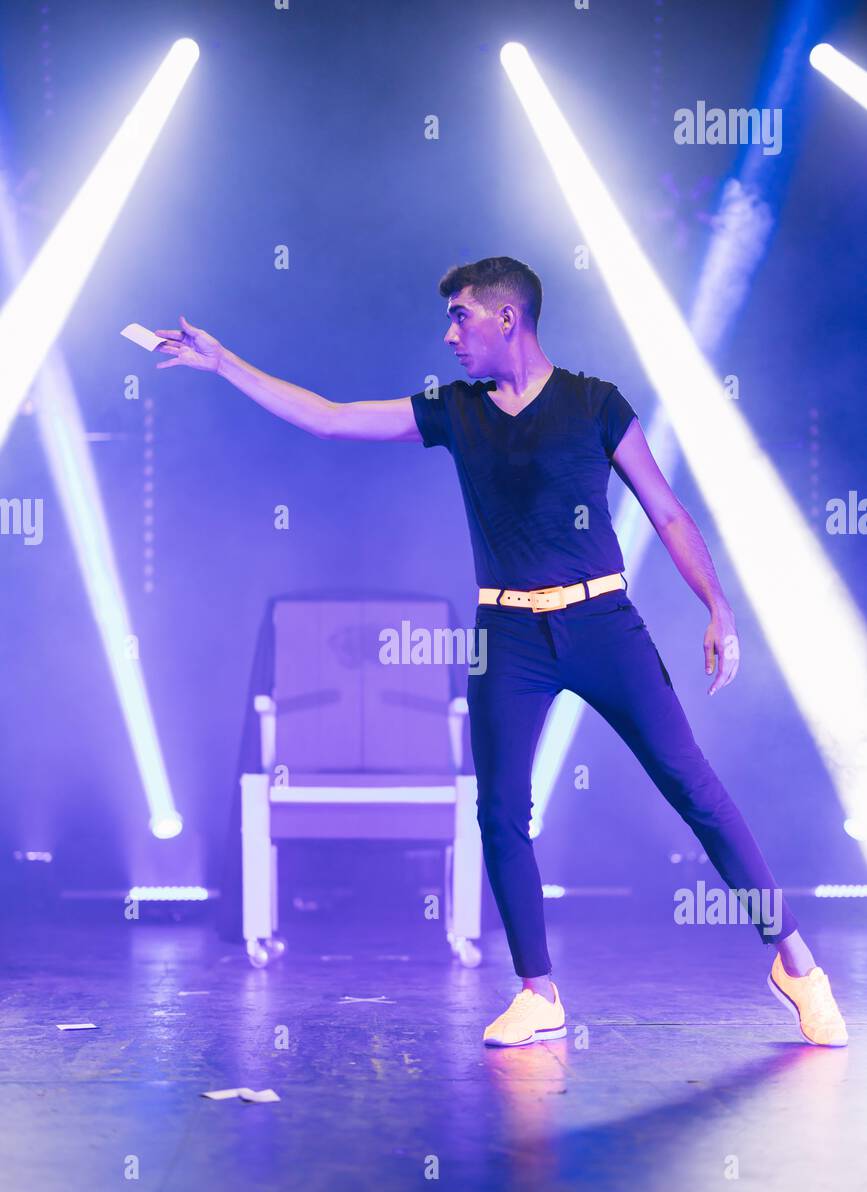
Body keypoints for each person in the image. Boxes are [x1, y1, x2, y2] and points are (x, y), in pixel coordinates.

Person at [155, 254, 848, 1049]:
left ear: (507, 318)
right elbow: (331, 416)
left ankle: (794, 963)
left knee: (694, 788)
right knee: (499, 813)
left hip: (601, 623)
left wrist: (717, 608)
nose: (449, 334)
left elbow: (666, 513)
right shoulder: (457, 410)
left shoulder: (595, 404)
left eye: (460, 316)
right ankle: (538, 992)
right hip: (508, 637)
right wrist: (224, 363)